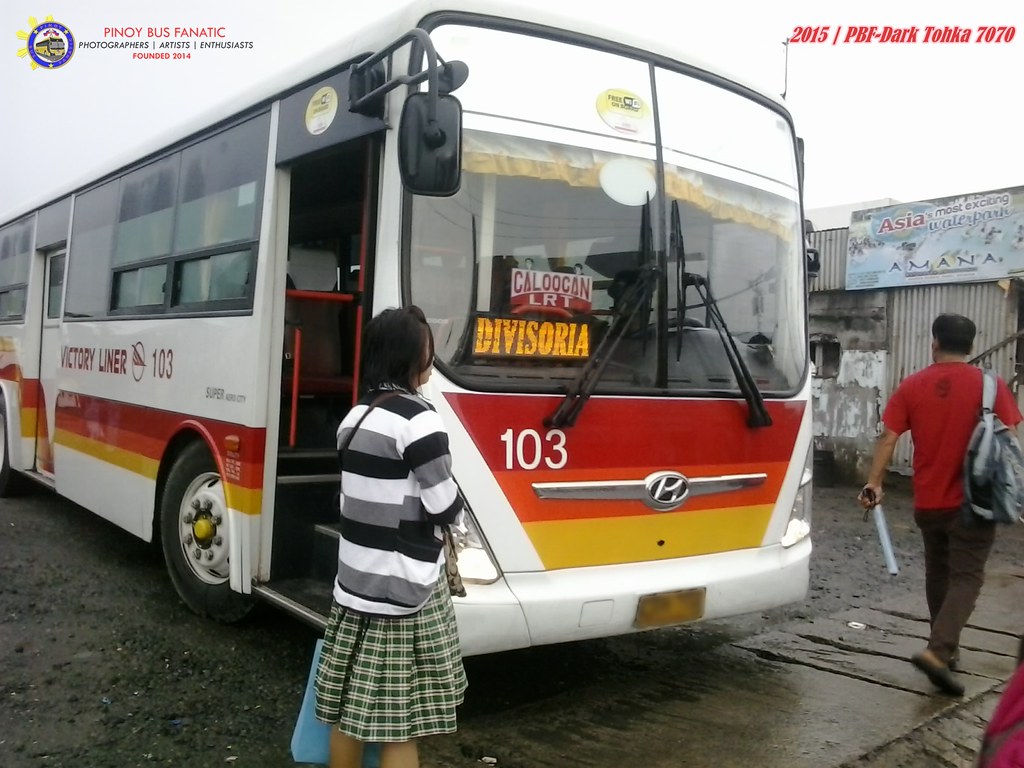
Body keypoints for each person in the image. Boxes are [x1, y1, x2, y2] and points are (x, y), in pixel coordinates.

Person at [314, 305, 467, 768]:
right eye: (427, 348)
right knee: (400, 724)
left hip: (355, 581)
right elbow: (443, 505)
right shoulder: (419, 419)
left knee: (349, 710)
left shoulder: (355, 416)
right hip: (404, 588)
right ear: (411, 356)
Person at [858, 313, 1022, 697]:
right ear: (971, 345)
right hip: (974, 501)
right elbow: (1011, 436)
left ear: (935, 343)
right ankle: (938, 651)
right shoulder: (991, 385)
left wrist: (874, 482)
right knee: (967, 576)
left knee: (939, 573)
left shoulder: (913, 385)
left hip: (929, 500)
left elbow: (888, 436)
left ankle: (945, 648)